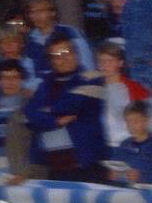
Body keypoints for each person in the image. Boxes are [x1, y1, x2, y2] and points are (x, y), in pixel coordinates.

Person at [24, 34, 106, 182]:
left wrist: (46, 111)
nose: (63, 59)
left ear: (76, 54)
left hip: (85, 165)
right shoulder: (44, 85)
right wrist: (56, 122)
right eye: (56, 55)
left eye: (66, 53)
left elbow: (70, 105)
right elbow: (29, 115)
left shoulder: (92, 78)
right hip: (51, 168)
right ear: (51, 61)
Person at [23, 0, 94, 82]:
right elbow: (28, 74)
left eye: (41, 11)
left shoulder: (70, 33)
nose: (37, 16)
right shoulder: (30, 41)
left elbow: (87, 65)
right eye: (32, 12)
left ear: (52, 12)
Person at [97, 42, 152, 149]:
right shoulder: (94, 89)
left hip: (130, 146)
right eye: (101, 61)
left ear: (120, 63)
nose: (104, 65)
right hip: (103, 147)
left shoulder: (134, 88)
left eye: (109, 61)